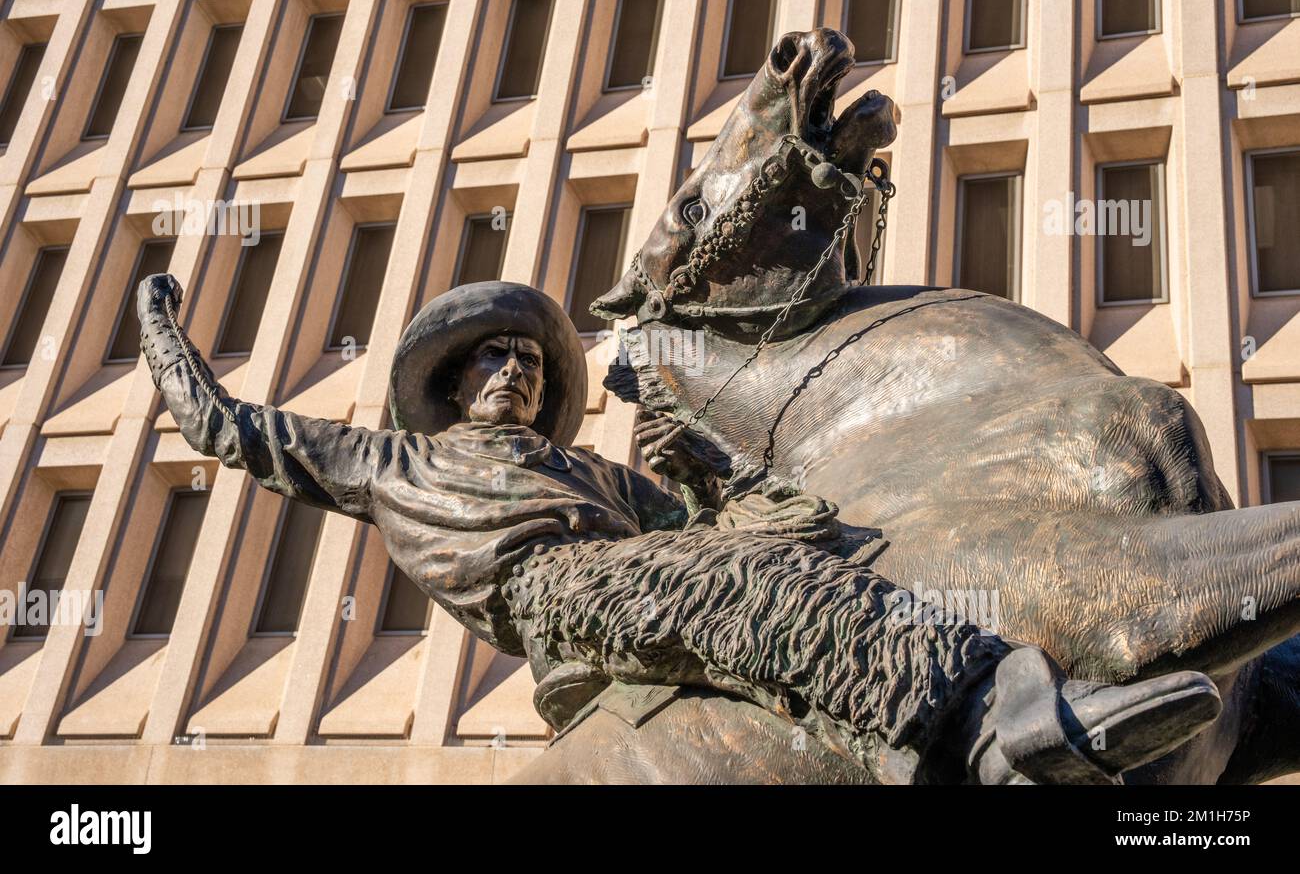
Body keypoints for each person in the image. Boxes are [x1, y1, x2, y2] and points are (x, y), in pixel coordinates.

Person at [136, 274, 1221, 784]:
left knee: (808, 555)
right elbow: (230, 428)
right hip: (552, 588)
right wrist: (162, 330)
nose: (512, 370)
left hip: (631, 562)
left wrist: (694, 456)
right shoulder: (390, 461)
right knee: (738, 595)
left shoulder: (582, 466)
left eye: (525, 359)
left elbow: (728, 515)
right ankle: (995, 719)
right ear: (454, 383)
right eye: (493, 359)